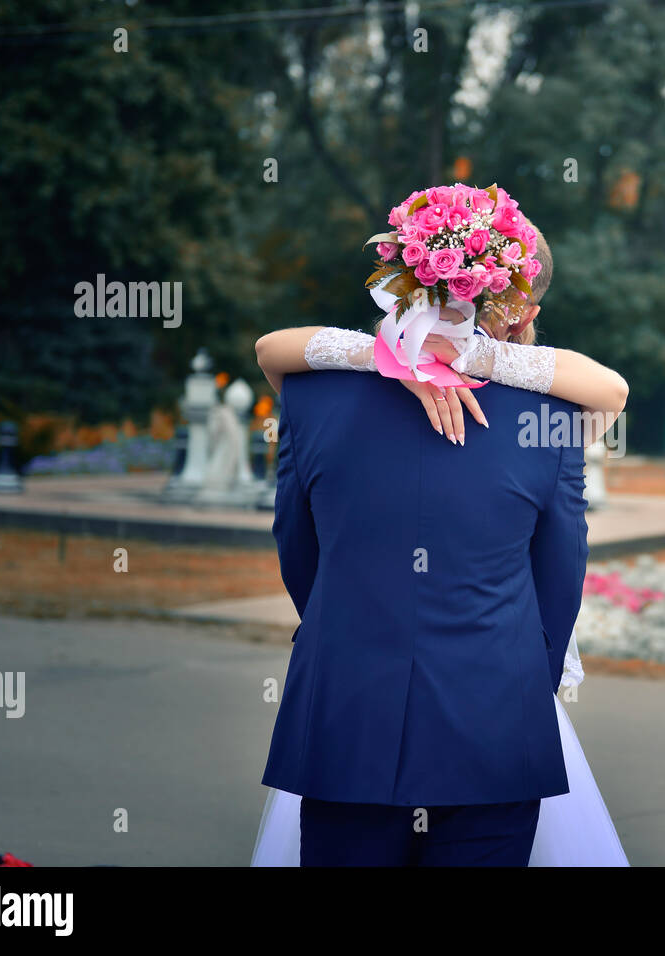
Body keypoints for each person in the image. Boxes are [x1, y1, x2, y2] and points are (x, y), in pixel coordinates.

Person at [252, 197, 628, 865]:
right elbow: (559, 581)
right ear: (520, 309)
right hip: (495, 726)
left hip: (345, 717)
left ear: (407, 279)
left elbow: (298, 550)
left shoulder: (310, 398)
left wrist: (342, 629)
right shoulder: (553, 422)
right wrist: (516, 676)